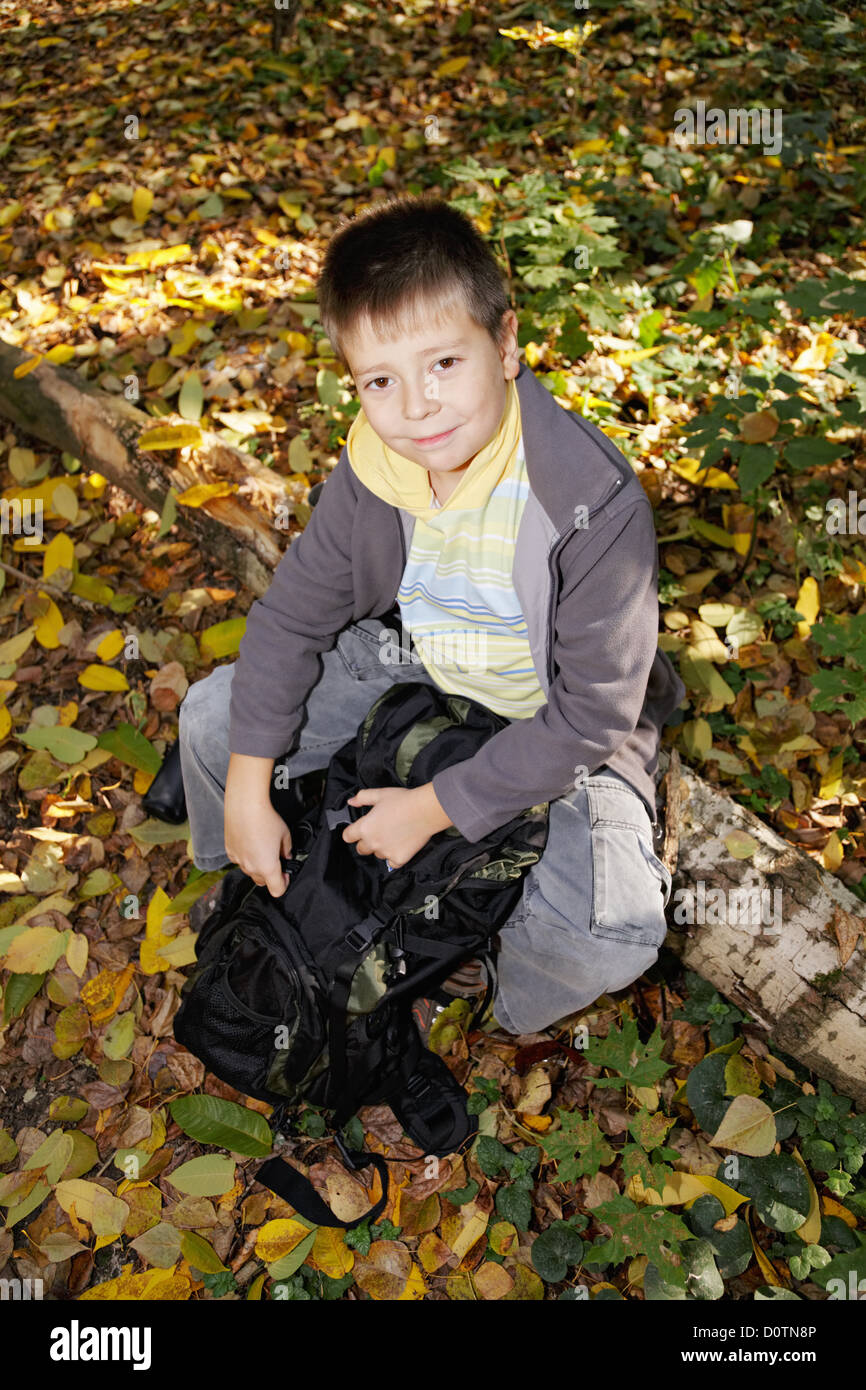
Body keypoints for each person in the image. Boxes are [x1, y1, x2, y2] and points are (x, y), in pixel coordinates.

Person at [177, 194, 685, 1040]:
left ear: (507, 344)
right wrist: (243, 790)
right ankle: (248, 875)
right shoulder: (377, 467)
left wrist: (437, 807)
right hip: (424, 660)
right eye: (382, 381)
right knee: (211, 724)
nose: (416, 407)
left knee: (609, 930)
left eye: (443, 363)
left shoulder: (592, 501)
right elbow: (290, 620)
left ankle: (486, 992)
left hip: (555, 715)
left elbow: (595, 713)